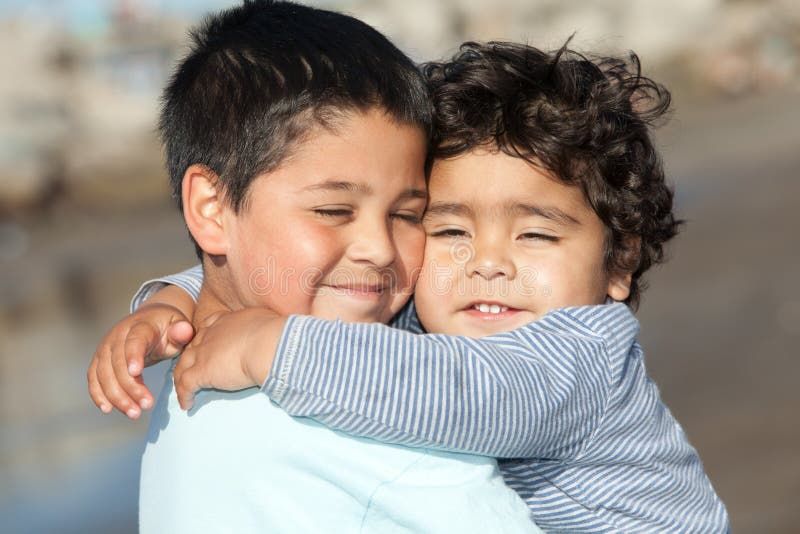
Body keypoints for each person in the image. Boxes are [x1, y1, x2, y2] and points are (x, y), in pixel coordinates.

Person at [89, 33, 731, 534]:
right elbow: (309, 286)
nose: (488, 264)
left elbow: (457, 393)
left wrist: (271, 346)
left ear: (619, 264)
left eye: (535, 235)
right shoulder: (441, 319)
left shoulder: (578, 355)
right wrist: (174, 302)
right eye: (448, 231)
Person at [88, 1, 543, 532]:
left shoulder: (199, 371)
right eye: (333, 211)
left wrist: (172, 300)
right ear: (211, 207)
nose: (378, 247)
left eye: (407, 214)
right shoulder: (380, 433)